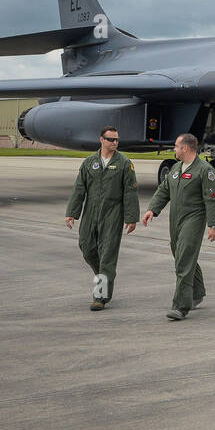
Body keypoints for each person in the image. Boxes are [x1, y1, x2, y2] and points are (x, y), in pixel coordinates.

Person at [141, 134, 215, 320]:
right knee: (181, 254)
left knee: (184, 259)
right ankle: (197, 292)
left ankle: (180, 306)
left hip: (194, 218)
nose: (173, 149)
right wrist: (152, 209)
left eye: (176, 146)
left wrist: (213, 225)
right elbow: (164, 190)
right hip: (176, 219)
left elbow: (214, 200)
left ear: (185, 148)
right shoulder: (176, 168)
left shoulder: (204, 170)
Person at [65, 125, 139, 311]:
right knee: (86, 247)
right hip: (90, 212)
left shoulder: (124, 163)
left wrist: (131, 218)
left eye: (117, 140)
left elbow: (130, 192)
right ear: (101, 140)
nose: (115, 143)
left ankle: (100, 296)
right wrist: (72, 213)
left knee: (107, 256)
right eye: (111, 139)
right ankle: (104, 275)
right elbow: (79, 189)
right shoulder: (89, 163)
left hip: (113, 214)